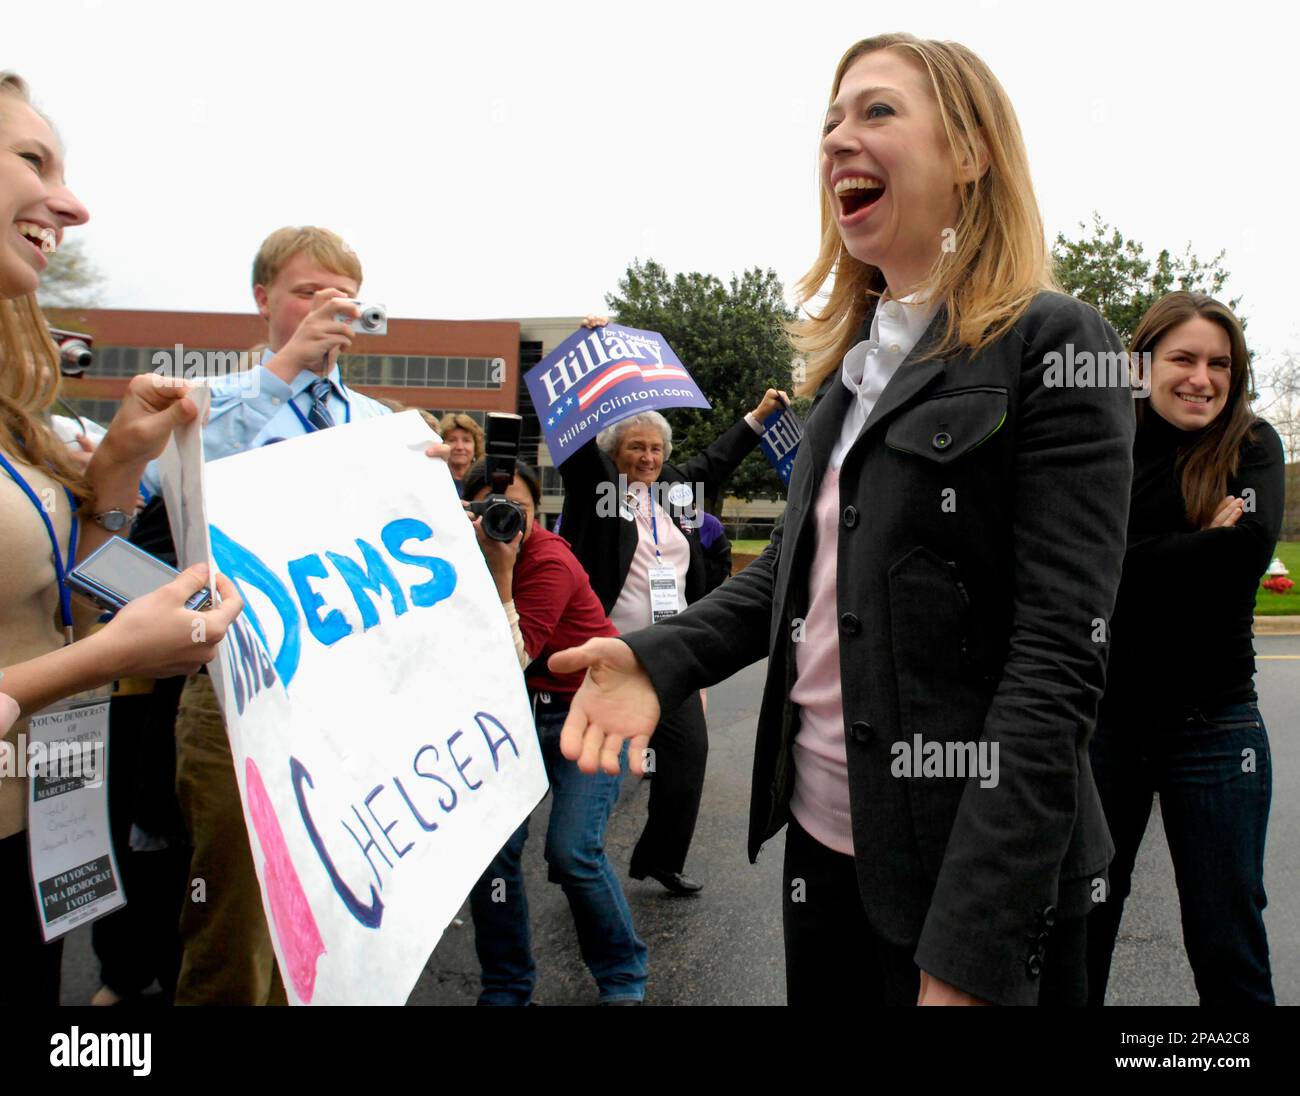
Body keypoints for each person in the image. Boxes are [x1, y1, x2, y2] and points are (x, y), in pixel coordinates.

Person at [550, 33, 1135, 1005]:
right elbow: (795, 564)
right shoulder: (850, 369)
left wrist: (974, 945)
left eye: (874, 112)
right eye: (826, 123)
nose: (835, 142)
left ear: (970, 151)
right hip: (822, 860)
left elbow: (1057, 659)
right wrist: (663, 656)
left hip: (969, 887)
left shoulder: (1056, 342)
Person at [0, 71, 241, 1008]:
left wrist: (106, 489)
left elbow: (67, 593)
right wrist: (105, 658)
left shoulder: (22, 422)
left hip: (31, 828)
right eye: (32, 160)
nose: (73, 202)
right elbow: (84, 639)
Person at [150, 225, 415, 1005]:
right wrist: (283, 374)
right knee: (238, 918)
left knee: (337, 910)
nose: (328, 309)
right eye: (308, 292)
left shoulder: (377, 421)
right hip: (239, 695)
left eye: (344, 297)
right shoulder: (210, 403)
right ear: (263, 298)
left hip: (347, 698)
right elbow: (184, 493)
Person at [1086, 293, 1281, 1006]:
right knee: (1085, 922)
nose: (1203, 378)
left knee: (1225, 935)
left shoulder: (1253, 446)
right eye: (1184, 359)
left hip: (1218, 727)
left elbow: (1242, 560)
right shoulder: (1103, 442)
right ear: (1142, 368)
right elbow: (1086, 570)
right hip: (1108, 725)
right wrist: (1200, 538)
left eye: (1220, 363)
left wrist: (1140, 552)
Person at [557, 374, 787, 895]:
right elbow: (574, 447)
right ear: (613, 452)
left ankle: (661, 858)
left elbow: (717, 459)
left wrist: (760, 416)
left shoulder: (675, 493)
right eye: (636, 447)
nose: (647, 457)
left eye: (656, 448)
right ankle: (575, 857)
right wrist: (590, 371)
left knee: (686, 758)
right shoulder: (601, 494)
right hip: (613, 656)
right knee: (604, 768)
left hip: (668, 656)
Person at [461, 459, 648, 1005]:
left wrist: (500, 573)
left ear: (536, 511)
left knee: (572, 852)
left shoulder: (550, 559)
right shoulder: (453, 556)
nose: (503, 521)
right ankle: (507, 987)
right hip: (515, 717)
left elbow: (511, 657)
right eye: (487, 510)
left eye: (515, 510)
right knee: (491, 857)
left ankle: (623, 977)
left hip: (590, 710)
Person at [437, 411, 485, 495]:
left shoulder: (484, 482)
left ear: (476, 445)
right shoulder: (434, 479)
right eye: (452, 440)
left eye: (466, 440)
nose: (459, 447)